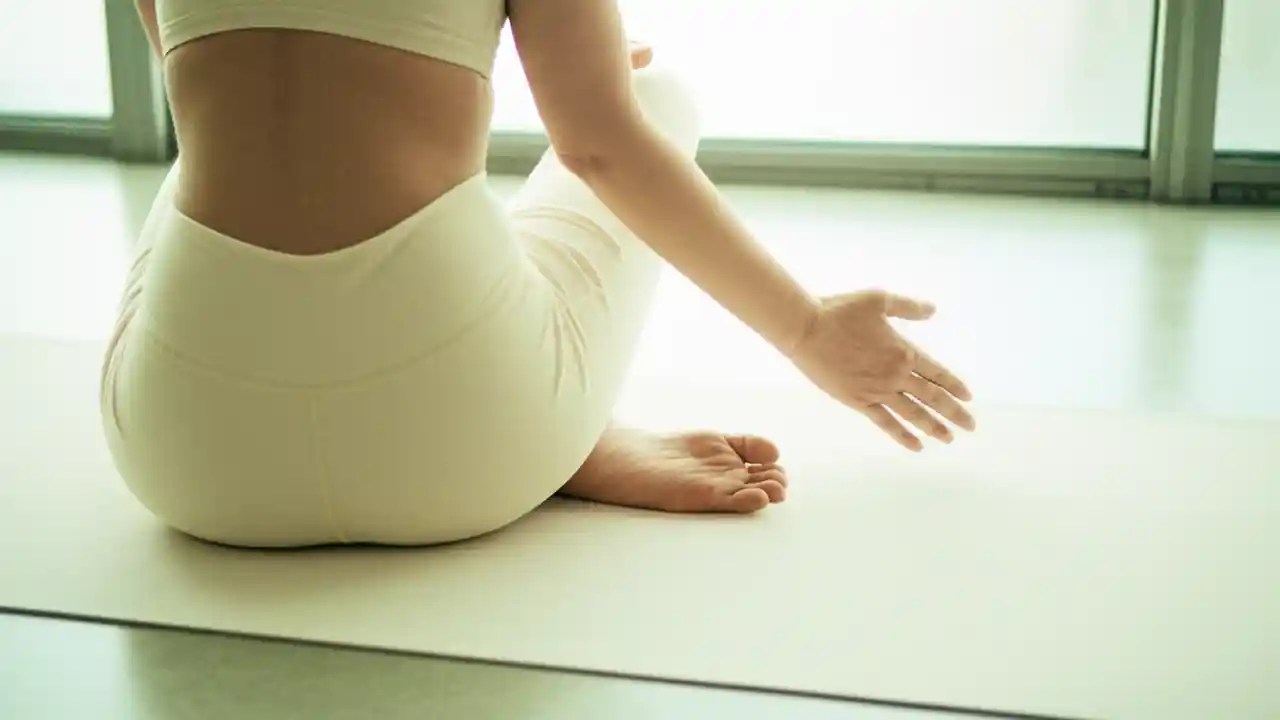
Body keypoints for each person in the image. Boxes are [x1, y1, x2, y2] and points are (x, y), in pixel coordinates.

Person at [102, 0, 976, 548]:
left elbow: (213, 91)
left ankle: (548, 416)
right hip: (473, 452)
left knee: (211, 161)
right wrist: (809, 330)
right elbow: (601, 145)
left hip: (195, 464)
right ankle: (564, 437)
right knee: (653, 101)